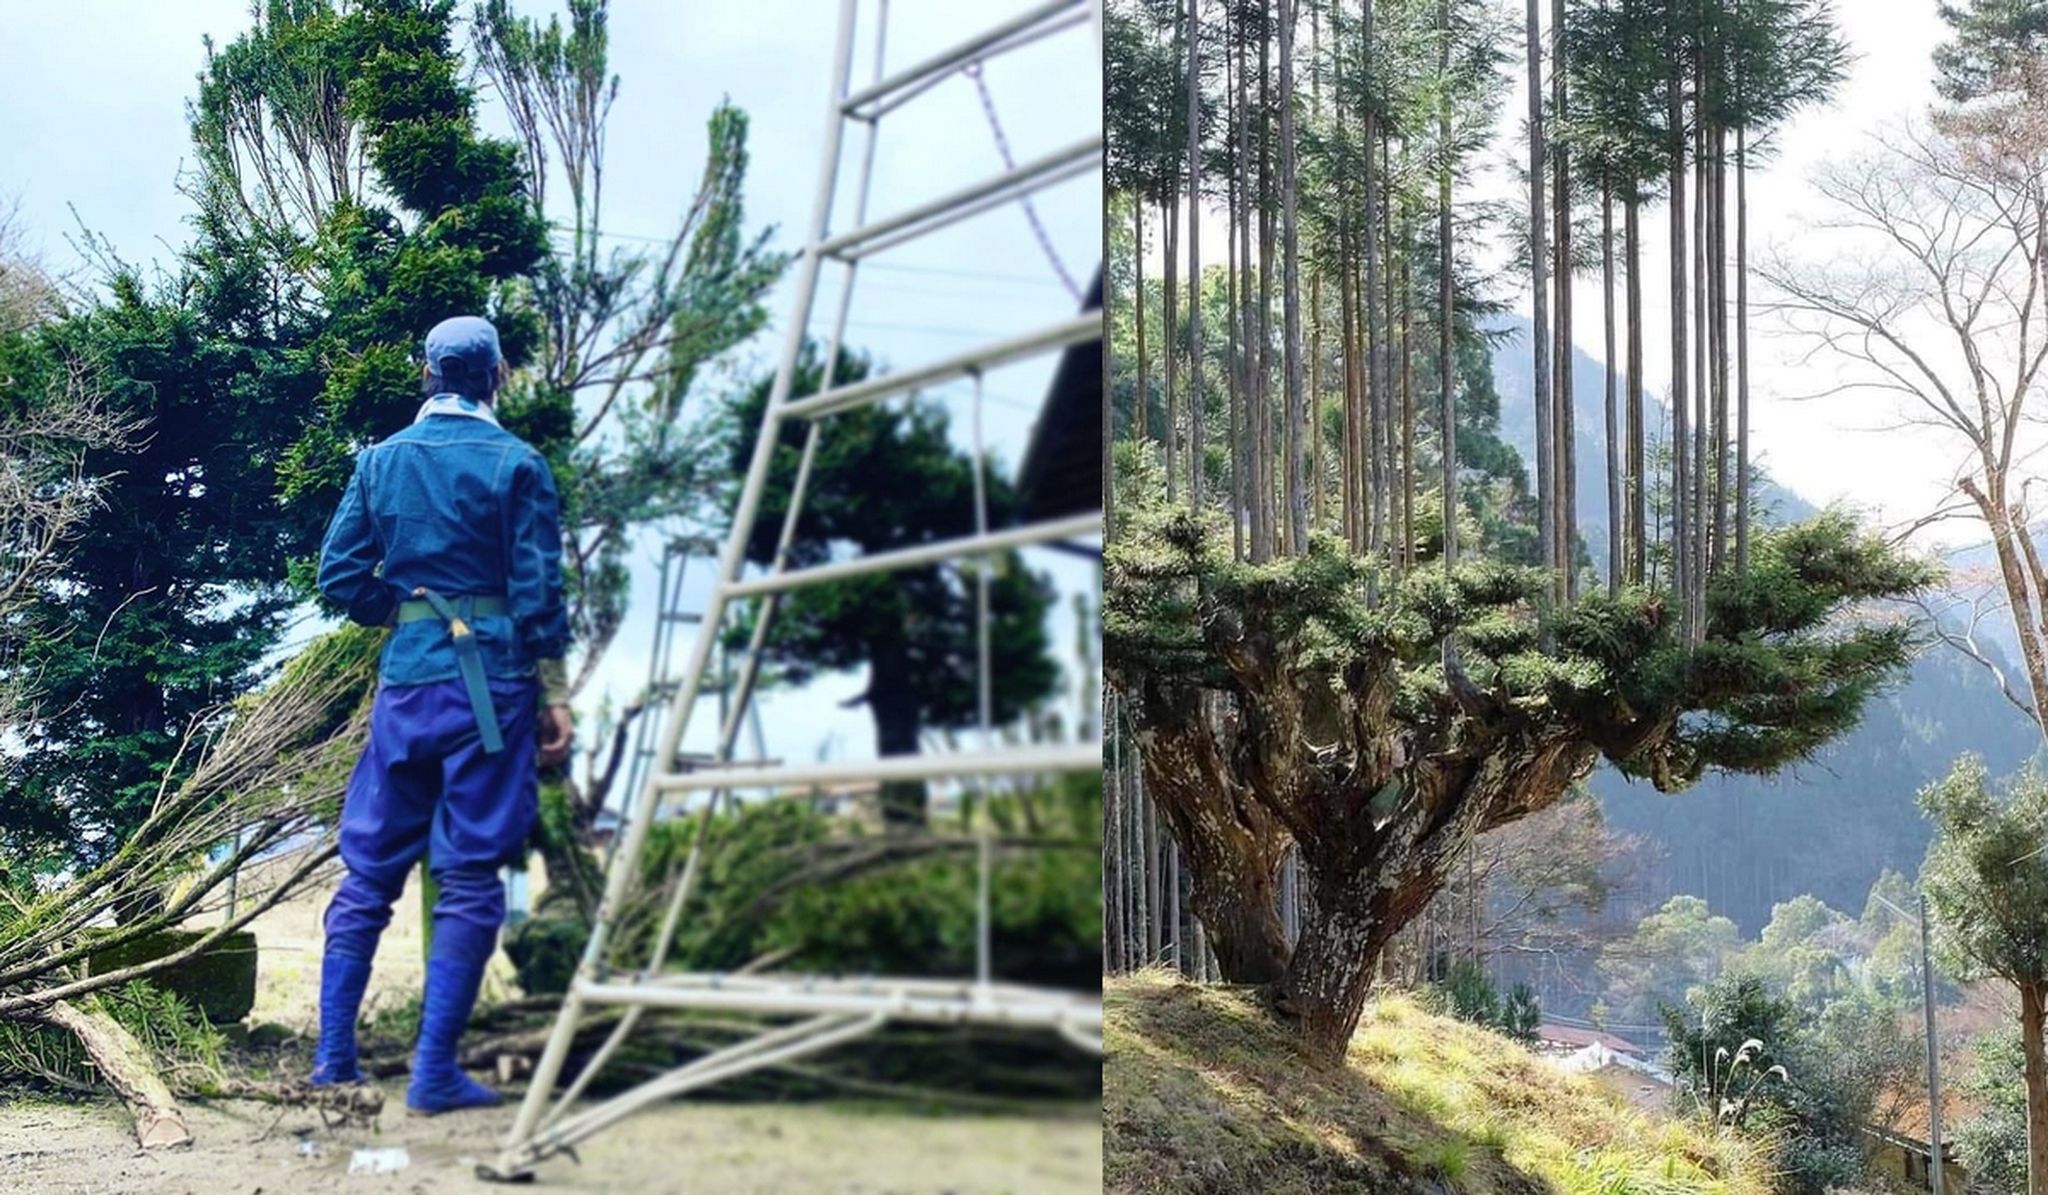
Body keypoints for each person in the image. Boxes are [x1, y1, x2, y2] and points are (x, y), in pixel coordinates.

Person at [307, 314, 573, 1114]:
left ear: (427, 374)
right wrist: (554, 693)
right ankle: (431, 1075)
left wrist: (409, 610)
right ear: (496, 376)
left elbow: (341, 575)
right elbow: (539, 596)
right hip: (491, 685)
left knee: (367, 872)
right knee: (472, 874)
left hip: (407, 684)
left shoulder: (380, 462)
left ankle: (332, 1063)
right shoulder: (518, 464)